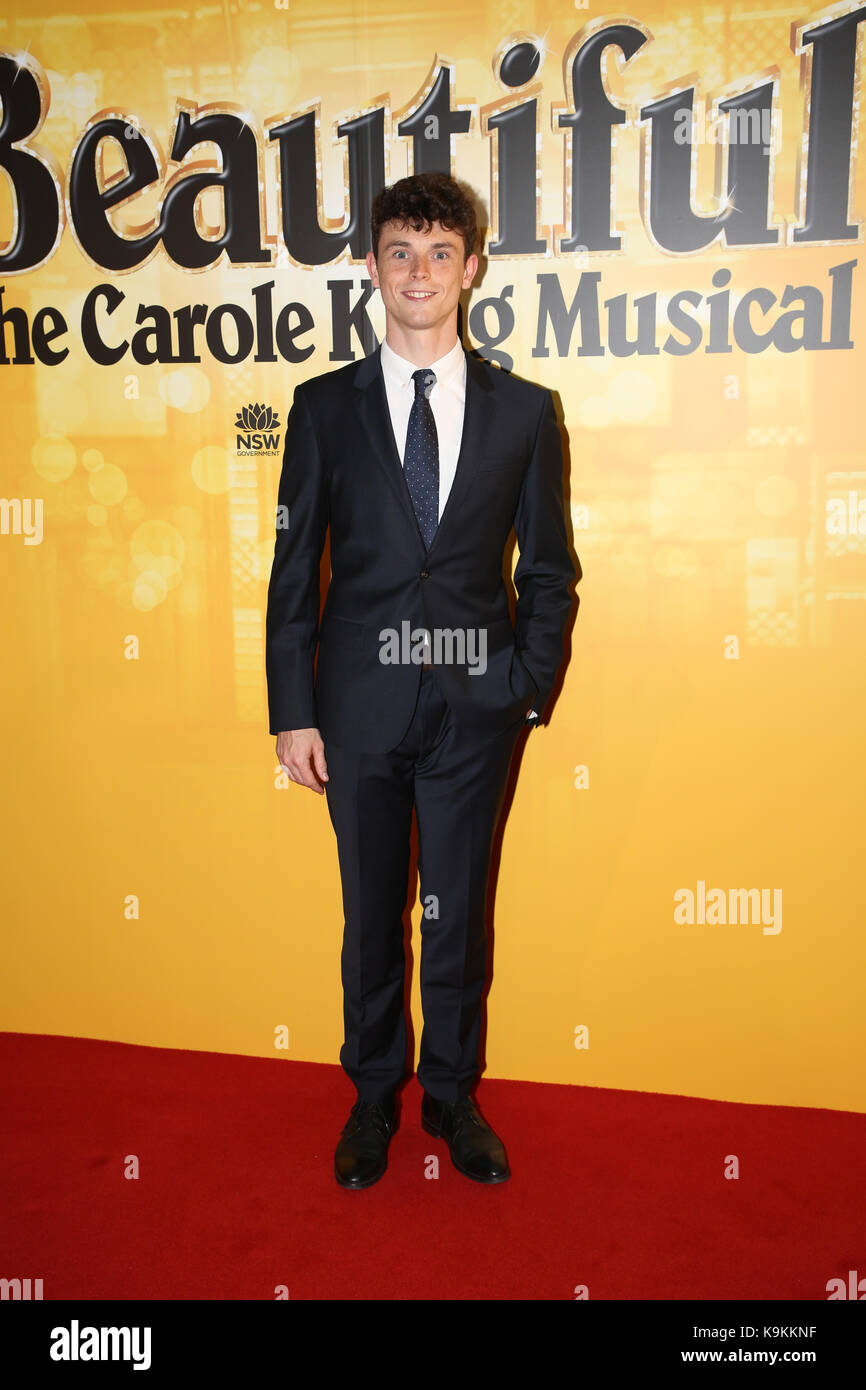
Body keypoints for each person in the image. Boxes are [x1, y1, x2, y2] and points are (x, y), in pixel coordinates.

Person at [266, 170, 577, 1189]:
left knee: (455, 905)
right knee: (370, 914)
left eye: (440, 252)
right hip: (354, 709)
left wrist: (524, 688)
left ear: (470, 268)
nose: (419, 270)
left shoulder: (526, 413)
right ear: (369, 266)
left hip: (474, 710)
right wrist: (291, 712)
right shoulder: (319, 409)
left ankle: (449, 1093)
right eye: (399, 250)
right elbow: (290, 569)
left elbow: (548, 569)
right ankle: (370, 1098)